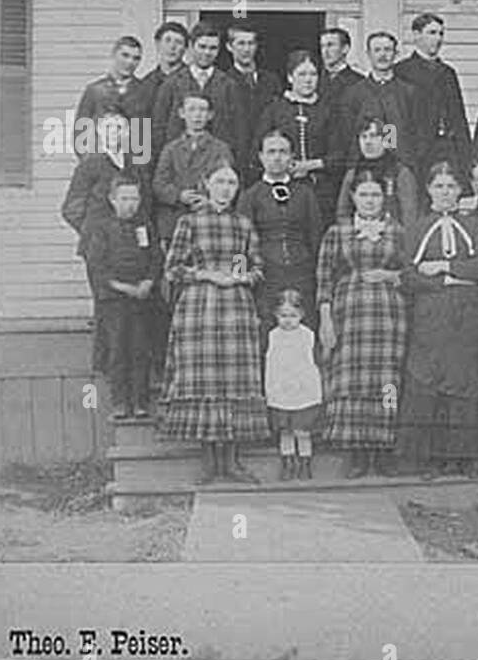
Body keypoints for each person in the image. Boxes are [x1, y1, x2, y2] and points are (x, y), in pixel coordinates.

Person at [160, 164, 268, 483]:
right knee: (204, 381)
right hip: (199, 308)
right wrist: (206, 274)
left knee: (234, 381)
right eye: (220, 182)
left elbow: (254, 266)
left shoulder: (242, 225)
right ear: (206, 184)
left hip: (236, 305)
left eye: (231, 183)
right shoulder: (190, 222)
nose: (225, 188)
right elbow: (173, 269)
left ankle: (232, 461)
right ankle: (209, 462)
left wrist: (240, 276)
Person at [398, 162, 478, 480]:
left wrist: (444, 265)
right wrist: (445, 281)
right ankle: (434, 459)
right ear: (429, 190)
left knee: (467, 384)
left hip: (468, 316)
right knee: (431, 383)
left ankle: (466, 458)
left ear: (461, 191)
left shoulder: (473, 226)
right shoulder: (417, 227)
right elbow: (408, 276)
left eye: (451, 187)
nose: (445, 193)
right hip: (432, 316)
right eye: (439, 186)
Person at [316, 164, 408, 478]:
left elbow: (410, 272)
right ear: (353, 196)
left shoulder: (397, 231)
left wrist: (391, 274)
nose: (370, 201)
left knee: (386, 381)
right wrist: (326, 319)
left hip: (387, 316)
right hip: (349, 314)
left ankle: (381, 453)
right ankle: (357, 455)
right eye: (364, 194)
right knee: (352, 379)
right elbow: (324, 278)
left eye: (376, 195)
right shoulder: (337, 232)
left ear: (384, 198)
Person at [61, 108, 153, 375]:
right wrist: (95, 234)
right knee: (107, 304)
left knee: (134, 309)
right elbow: (71, 208)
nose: (114, 134)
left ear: (127, 134)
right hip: (101, 249)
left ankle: (132, 371)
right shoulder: (90, 165)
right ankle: (105, 368)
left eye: (119, 129)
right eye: (109, 129)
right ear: (100, 134)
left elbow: (142, 206)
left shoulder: (135, 165)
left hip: (131, 247)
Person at [83, 177, 161, 419]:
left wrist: (148, 281)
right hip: (114, 300)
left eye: (134, 199)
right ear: (113, 200)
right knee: (117, 350)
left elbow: (155, 258)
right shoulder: (102, 228)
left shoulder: (144, 227)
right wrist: (123, 288)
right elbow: (97, 265)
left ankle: (140, 402)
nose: (130, 204)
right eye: (124, 199)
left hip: (141, 299)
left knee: (139, 348)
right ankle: (119, 402)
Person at [236, 129, 324, 338]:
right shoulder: (250, 195)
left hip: (301, 272)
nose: (277, 157)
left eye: (283, 152)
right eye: (271, 151)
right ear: (261, 157)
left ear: (292, 157)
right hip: (265, 275)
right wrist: (241, 279)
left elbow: (316, 236)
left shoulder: (305, 194)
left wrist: (315, 273)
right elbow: (240, 244)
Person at [334, 32, 428, 189]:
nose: (382, 55)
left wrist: (408, 163)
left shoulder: (409, 93)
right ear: (368, 54)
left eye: (387, 50)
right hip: (362, 171)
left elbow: (419, 134)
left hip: (401, 172)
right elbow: (347, 135)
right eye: (377, 50)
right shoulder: (354, 93)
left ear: (396, 54)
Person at [256, 51, 337, 228]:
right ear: (290, 77)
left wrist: (309, 165)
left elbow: (338, 154)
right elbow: (258, 149)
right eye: (302, 74)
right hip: (281, 188)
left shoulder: (328, 110)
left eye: (313, 74)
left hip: (321, 191)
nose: (308, 80)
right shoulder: (274, 109)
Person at [394, 13, 471, 184]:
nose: (438, 39)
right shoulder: (402, 71)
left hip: (447, 150)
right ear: (416, 35)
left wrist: (466, 156)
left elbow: (459, 118)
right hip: (415, 153)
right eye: (432, 33)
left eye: (441, 34)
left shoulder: (448, 73)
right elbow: (392, 117)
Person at [152, 93, 236, 246]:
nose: (197, 115)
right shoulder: (171, 149)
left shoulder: (220, 149)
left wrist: (210, 201)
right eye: (191, 109)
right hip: (174, 220)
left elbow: (228, 184)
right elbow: (159, 184)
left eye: (202, 110)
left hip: (209, 221)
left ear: (210, 115)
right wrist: (179, 195)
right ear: (182, 113)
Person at [151, 20, 242, 155]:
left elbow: (238, 130)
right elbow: (159, 127)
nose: (207, 53)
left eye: (213, 48)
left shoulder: (228, 85)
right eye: (202, 46)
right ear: (192, 47)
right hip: (180, 161)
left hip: (216, 161)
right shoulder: (172, 83)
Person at [265, 288, 323, 482]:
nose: (288, 320)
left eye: (293, 315)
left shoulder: (308, 336)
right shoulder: (273, 336)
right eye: (283, 315)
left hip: (302, 390)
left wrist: (303, 383)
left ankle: (305, 464)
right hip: (281, 389)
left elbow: (311, 364)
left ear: (302, 315)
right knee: (286, 431)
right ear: (275, 315)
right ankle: (288, 463)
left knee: (302, 431)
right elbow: (272, 364)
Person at [335, 116, 419, 229]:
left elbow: (409, 217)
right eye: (363, 137)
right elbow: (342, 213)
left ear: (385, 139)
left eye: (373, 136)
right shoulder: (352, 174)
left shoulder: (401, 173)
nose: (368, 142)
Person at [227, 21, 284, 182]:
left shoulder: (271, 80)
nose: (246, 49)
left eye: (251, 43)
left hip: (269, 160)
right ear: (230, 47)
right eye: (241, 43)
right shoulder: (224, 81)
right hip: (237, 160)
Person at [73, 37, 147, 159]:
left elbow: (147, 135)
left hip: (133, 165)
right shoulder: (95, 91)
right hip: (100, 163)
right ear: (114, 55)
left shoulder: (144, 91)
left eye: (136, 58)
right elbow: (80, 136)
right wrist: (91, 164)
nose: (129, 62)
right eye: (125, 55)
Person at [138, 21, 189, 164]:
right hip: (151, 158)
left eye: (178, 42)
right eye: (167, 41)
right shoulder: (145, 84)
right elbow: (139, 126)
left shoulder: (191, 82)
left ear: (185, 48)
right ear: (158, 44)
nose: (172, 47)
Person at [319, 27, 364, 113]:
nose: (325, 51)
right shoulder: (314, 80)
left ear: (345, 49)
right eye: (322, 46)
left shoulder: (359, 82)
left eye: (330, 45)